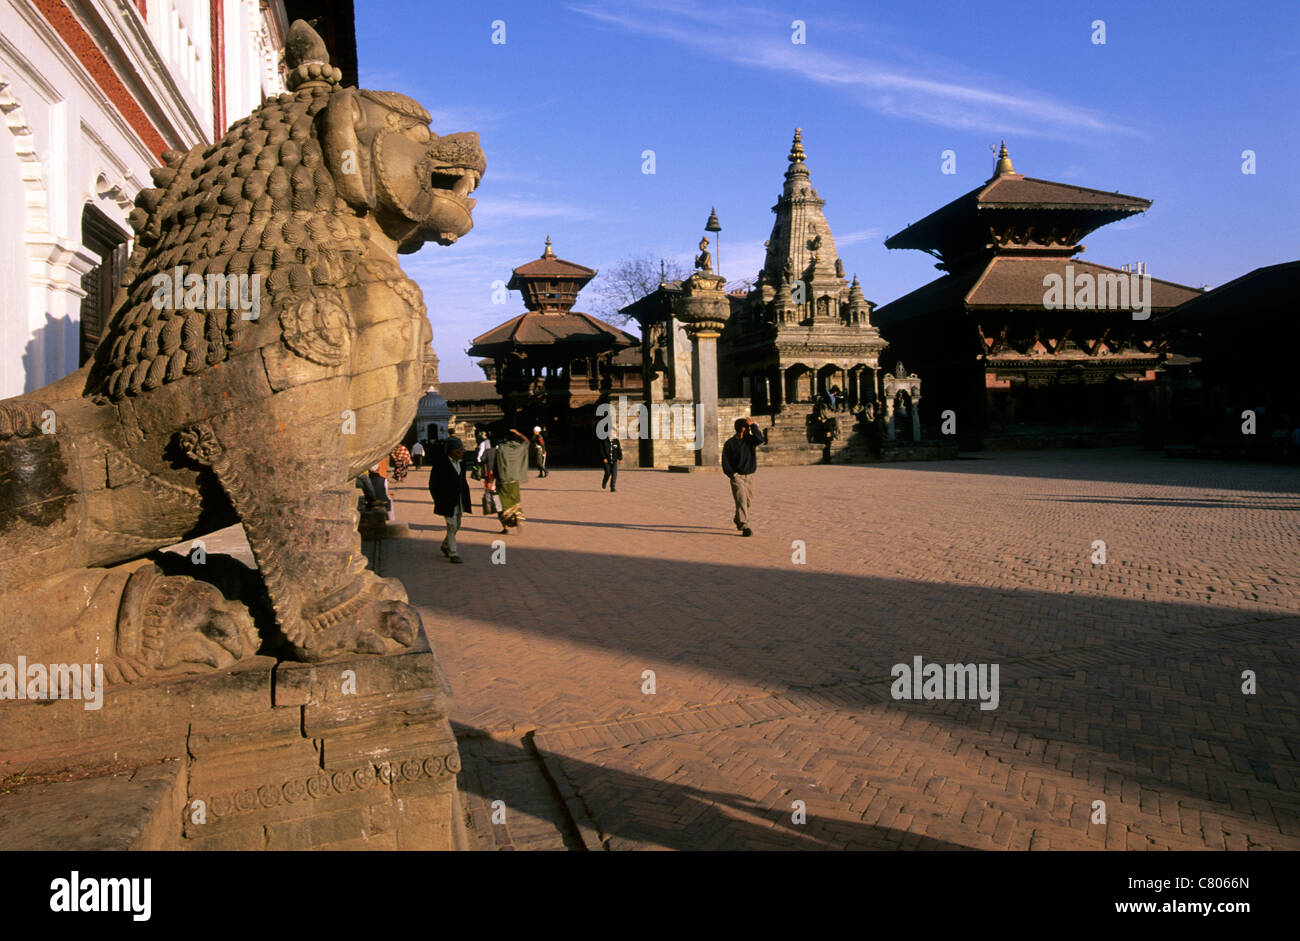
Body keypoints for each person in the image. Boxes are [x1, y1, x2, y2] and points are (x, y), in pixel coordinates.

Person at [428, 436, 472, 563]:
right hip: (446, 500)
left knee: (457, 524)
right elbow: (433, 485)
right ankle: (453, 553)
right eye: (459, 450)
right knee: (451, 525)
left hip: (459, 499)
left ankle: (445, 545)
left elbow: (462, 481)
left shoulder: (461, 464)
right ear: (451, 451)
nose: (462, 452)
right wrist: (438, 499)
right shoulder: (440, 465)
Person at [721, 416, 766, 537]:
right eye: (746, 427)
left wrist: (754, 426)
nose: (746, 430)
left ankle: (738, 518)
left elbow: (760, 439)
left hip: (749, 475)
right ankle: (744, 525)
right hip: (737, 477)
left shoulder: (750, 440)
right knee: (741, 500)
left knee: (748, 502)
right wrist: (732, 474)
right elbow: (725, 461)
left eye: (747, 428)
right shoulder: (730, 443)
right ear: (740, 428)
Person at [492, 428, 530, 532]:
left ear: (505, 438)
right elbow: (527, 442)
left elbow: (497, 465)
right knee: (514, 502)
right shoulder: (519, 448)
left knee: (500, 504)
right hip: (514, 480)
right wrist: (519, 433)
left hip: (503, 481)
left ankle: (505, 527)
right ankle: (517, 516)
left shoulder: (501, 448)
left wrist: (492, 481)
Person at [601, 426, 622, 491]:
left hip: (614, 459)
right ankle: (604, 482)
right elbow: (601, 450)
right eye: (610, 432)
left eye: (613, 432)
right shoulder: (604, 441)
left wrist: (620, 458)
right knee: (607, 472)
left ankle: (612, 487)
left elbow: (619, 450)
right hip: (607, 460)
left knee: (614, 473)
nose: (612, 434)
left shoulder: (616, 441)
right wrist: (604, 457)